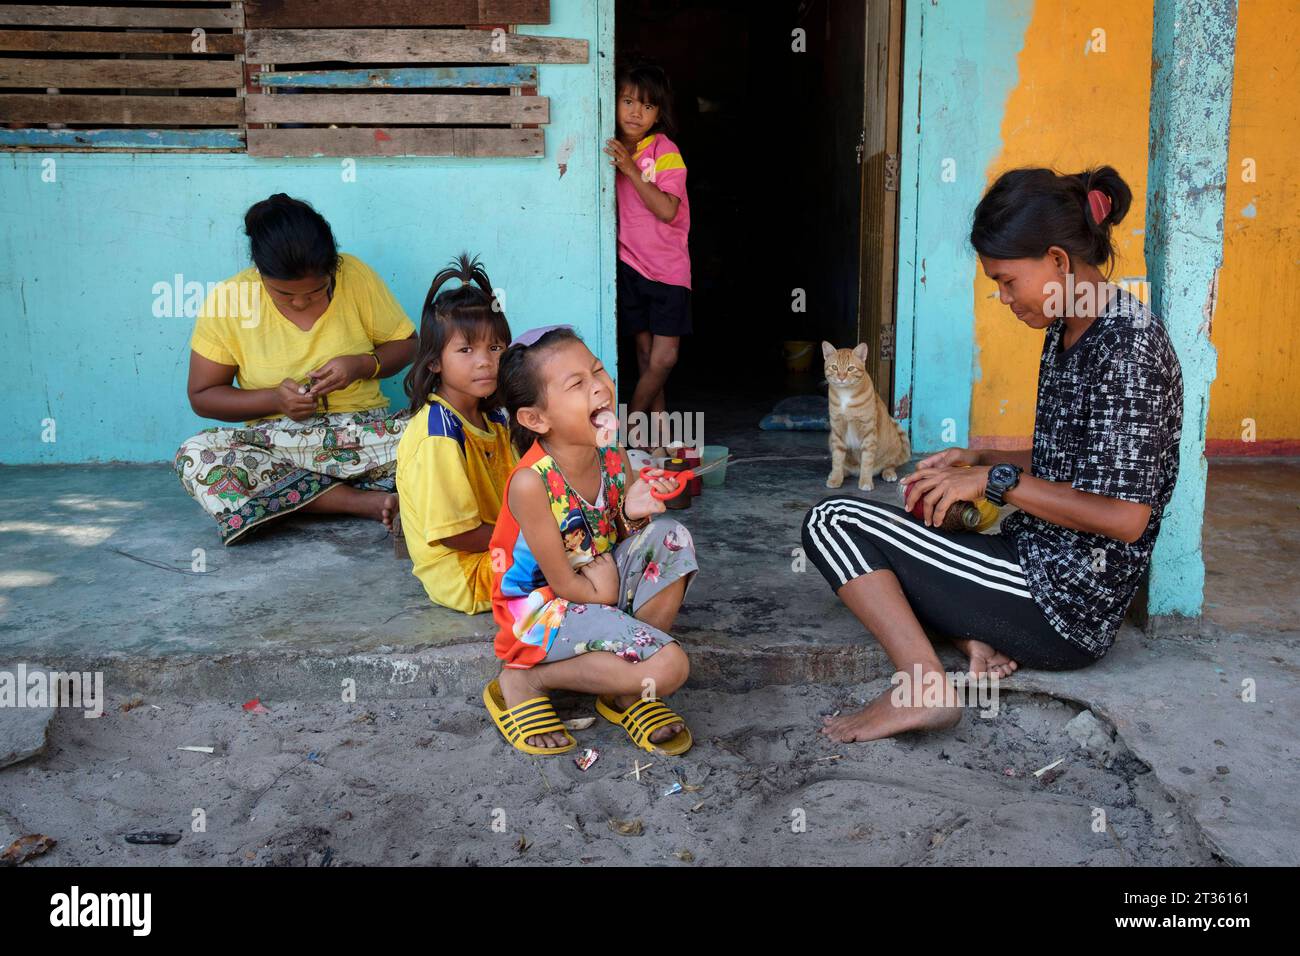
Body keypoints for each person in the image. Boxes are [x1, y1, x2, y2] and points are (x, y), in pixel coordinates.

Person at [802, 166, 1184, 743]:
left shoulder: (1129, 348)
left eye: (1007, 281)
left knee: (833, 522)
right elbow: (1074, 461)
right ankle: (971, 638)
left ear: (1058, 261)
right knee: (916, 516)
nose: (1003, 298)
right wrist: (976, 459)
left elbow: (1125, 518)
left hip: (1063, 606)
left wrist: (995, 480)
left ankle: (923, 684)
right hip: (1030, 559)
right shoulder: (1071, 328)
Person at [482, 326, 698, 756]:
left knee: (671, 535)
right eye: (577, 384)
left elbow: (615, 536)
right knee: (671, 667)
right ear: (535, 419)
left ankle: (622, 685)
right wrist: (605, 593)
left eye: (597, 370)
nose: (599, 385)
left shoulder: (614, 455)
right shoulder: (530, 482)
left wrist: (632, 515)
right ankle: (526, 679)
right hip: (543, 609)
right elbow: (561, 583)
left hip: (598, 587)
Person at [175, 194, 417, 544]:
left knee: (449, 430)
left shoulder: (356, 276)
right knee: (195, 456)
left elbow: (409, 344)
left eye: (318, 290)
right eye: (284, 294)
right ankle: (361, 501)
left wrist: (364, 365)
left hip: (366, 439)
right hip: (279, 444)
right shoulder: (230, 299)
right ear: (261, 274)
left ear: (333, 268)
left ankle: (296, 500)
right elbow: (203, 395)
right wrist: (276, 400)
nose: (302, 301)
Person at [395, 254, 516, 613]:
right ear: (434, 361)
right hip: (469, 574)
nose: (485, 361)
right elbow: (455, 533)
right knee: (570, 559)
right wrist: (533, 538)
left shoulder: (494, 417)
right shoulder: (439, 435)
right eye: (466, 350)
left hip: (499, 548)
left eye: (495, 348)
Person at [604, 63, 691, 444]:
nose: (635, 113)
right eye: (627, 101)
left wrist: (631, 169)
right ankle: (656, 438)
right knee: (642, 355)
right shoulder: (608, 145)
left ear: (660, 113)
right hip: (630, 264)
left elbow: (668, 210)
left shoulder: (665, 152)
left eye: (647, 106)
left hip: (669, 270)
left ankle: (625, 430)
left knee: (664, 358)